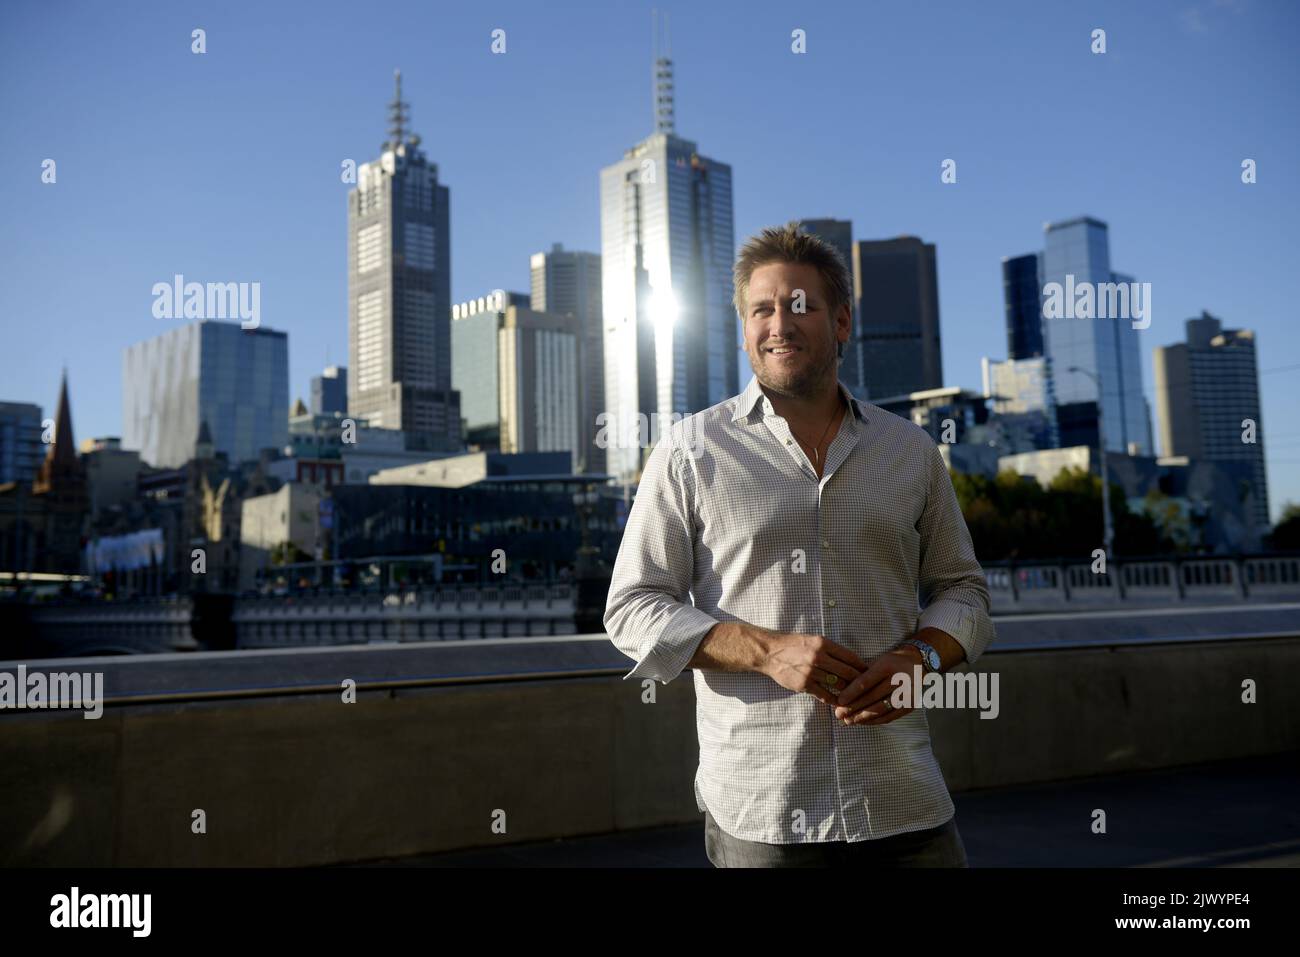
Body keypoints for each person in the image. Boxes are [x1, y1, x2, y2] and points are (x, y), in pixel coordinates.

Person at [603, 222, 996, 867]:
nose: (779, 324)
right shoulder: (690, 451)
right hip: (764, 814)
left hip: (902, 799)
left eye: (800, 306)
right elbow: (632, 608)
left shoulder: (910, 452)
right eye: (762, 309)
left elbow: (964, 592)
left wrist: (922, 658)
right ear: (743, 327)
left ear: (841, 322)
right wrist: (764, 652)